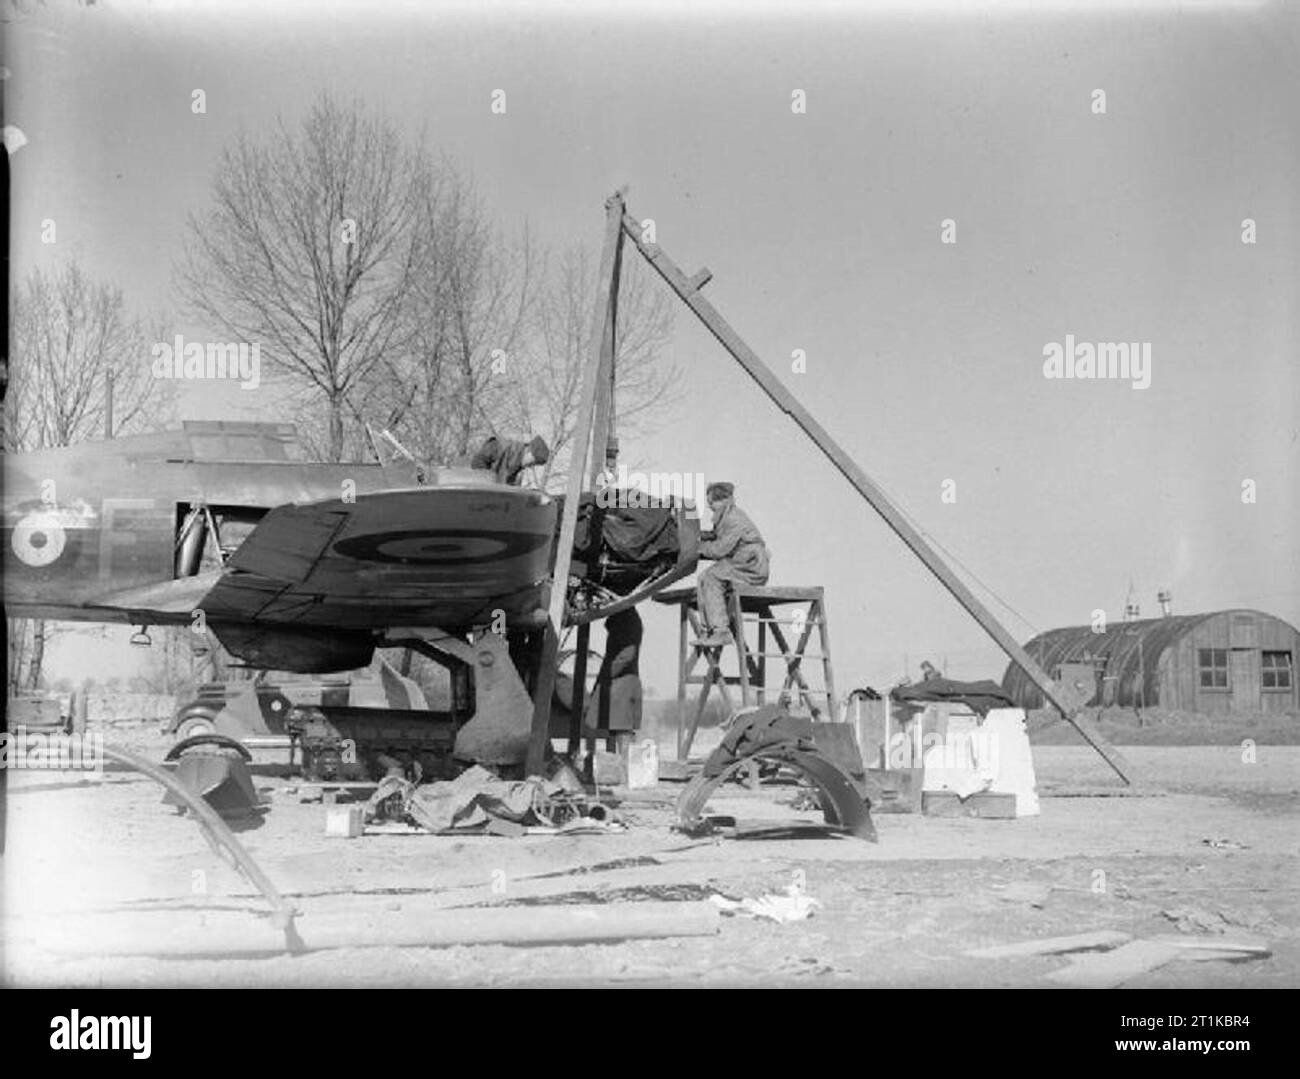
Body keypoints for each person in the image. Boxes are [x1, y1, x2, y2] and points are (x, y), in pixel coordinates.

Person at [694, 481, 769, 646]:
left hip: (749, 565)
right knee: (703, 578)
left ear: (722, 501)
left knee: (712, 577)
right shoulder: (725, 516)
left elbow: (719, 549)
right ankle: (709, 630)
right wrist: (697, 535)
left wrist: (697, 548)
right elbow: (716, 536)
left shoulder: (734, 519)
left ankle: (721, 631)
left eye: (711, 503)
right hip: (741, 562)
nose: (710, 507)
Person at [470, 434, 550, 485]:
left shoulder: (516, 468)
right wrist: (488, 481)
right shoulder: (500, 447)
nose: (530, 466)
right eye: (532, 463)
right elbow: (477, 462)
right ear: (529, 452)